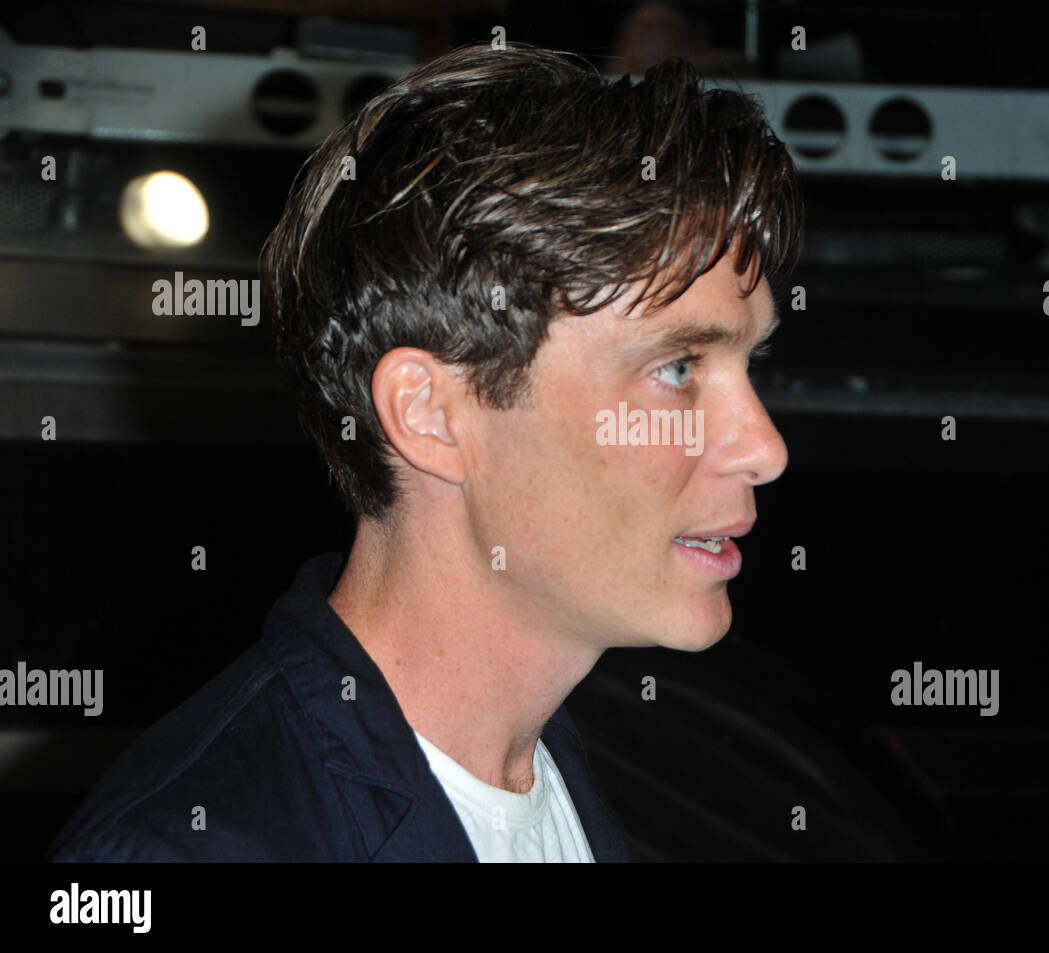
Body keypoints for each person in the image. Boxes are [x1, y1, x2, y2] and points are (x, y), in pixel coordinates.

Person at [46, 40, 804, 862]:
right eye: (679, 367)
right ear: (432, 414)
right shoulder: (183, 849)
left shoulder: (585, 780)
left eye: (747, 364)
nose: (764, 447)